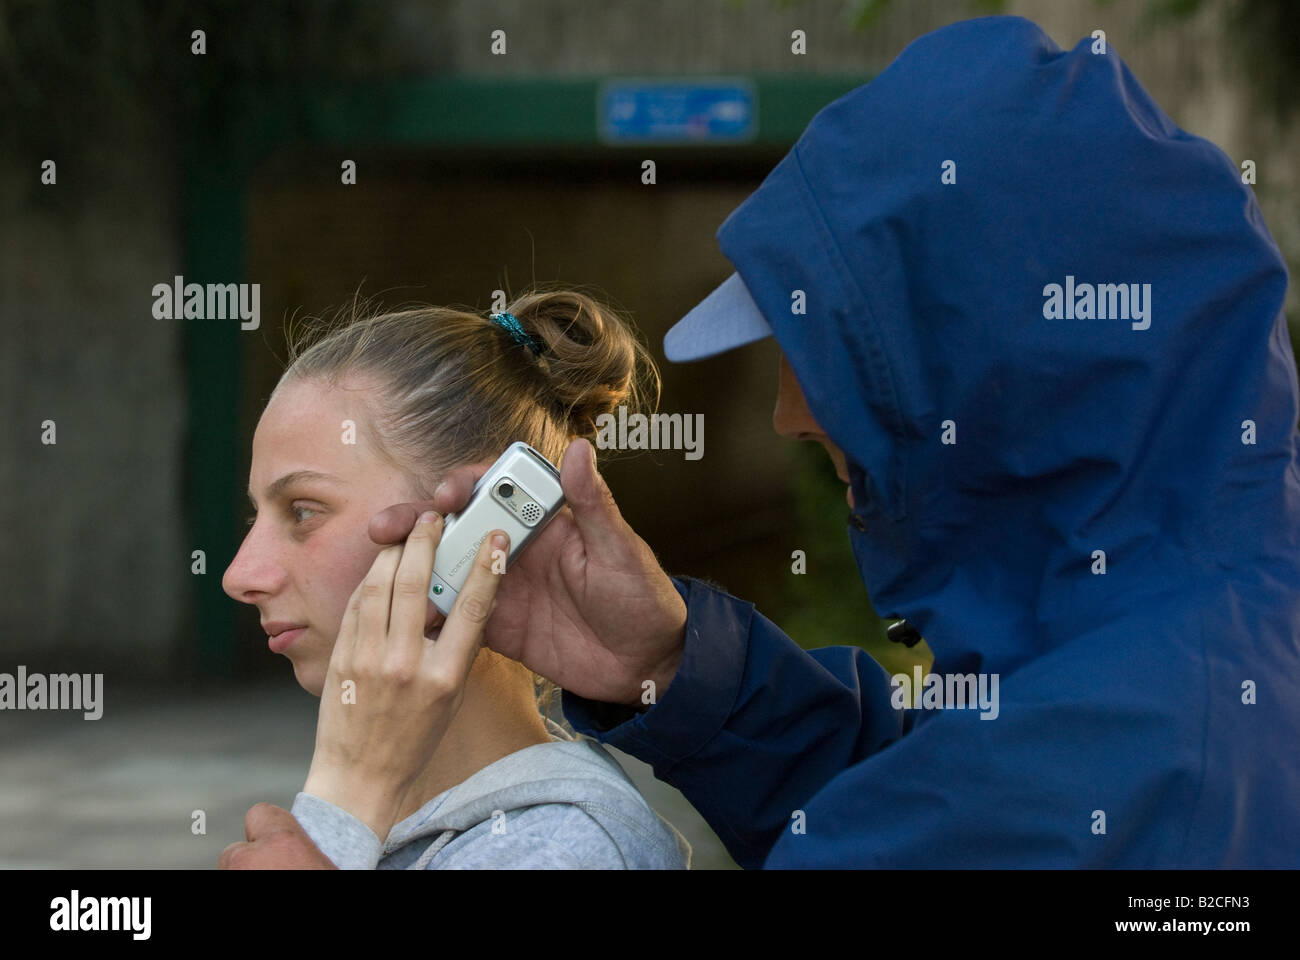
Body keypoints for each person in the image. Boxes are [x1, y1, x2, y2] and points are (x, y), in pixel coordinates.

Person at [223, 15, 1300, 869]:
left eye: (830, 352)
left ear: (986, 367)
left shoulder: (1107, 772)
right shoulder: (1187, 656)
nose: (788, 411)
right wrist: (680, 673)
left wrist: (336, 832)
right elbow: (928, 783)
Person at [218, 290, 690, 869]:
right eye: (254, 517)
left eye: (303, 510)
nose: (240, 575)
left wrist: (339, 809)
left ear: (476, 519)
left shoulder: (556, 852)